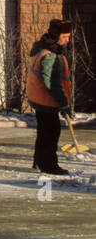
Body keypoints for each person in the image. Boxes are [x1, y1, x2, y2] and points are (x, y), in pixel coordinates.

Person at [27, 19, 73, 176]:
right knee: (51, 132)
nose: (68, 40)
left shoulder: (43, 48)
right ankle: (49, 165)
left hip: (39, 99)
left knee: (44, 132)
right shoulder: (50, 55)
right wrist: (63, 103)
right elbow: (52, 82)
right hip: (46, 100)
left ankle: (39, 161)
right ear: (56, 36)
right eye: (65, 37)